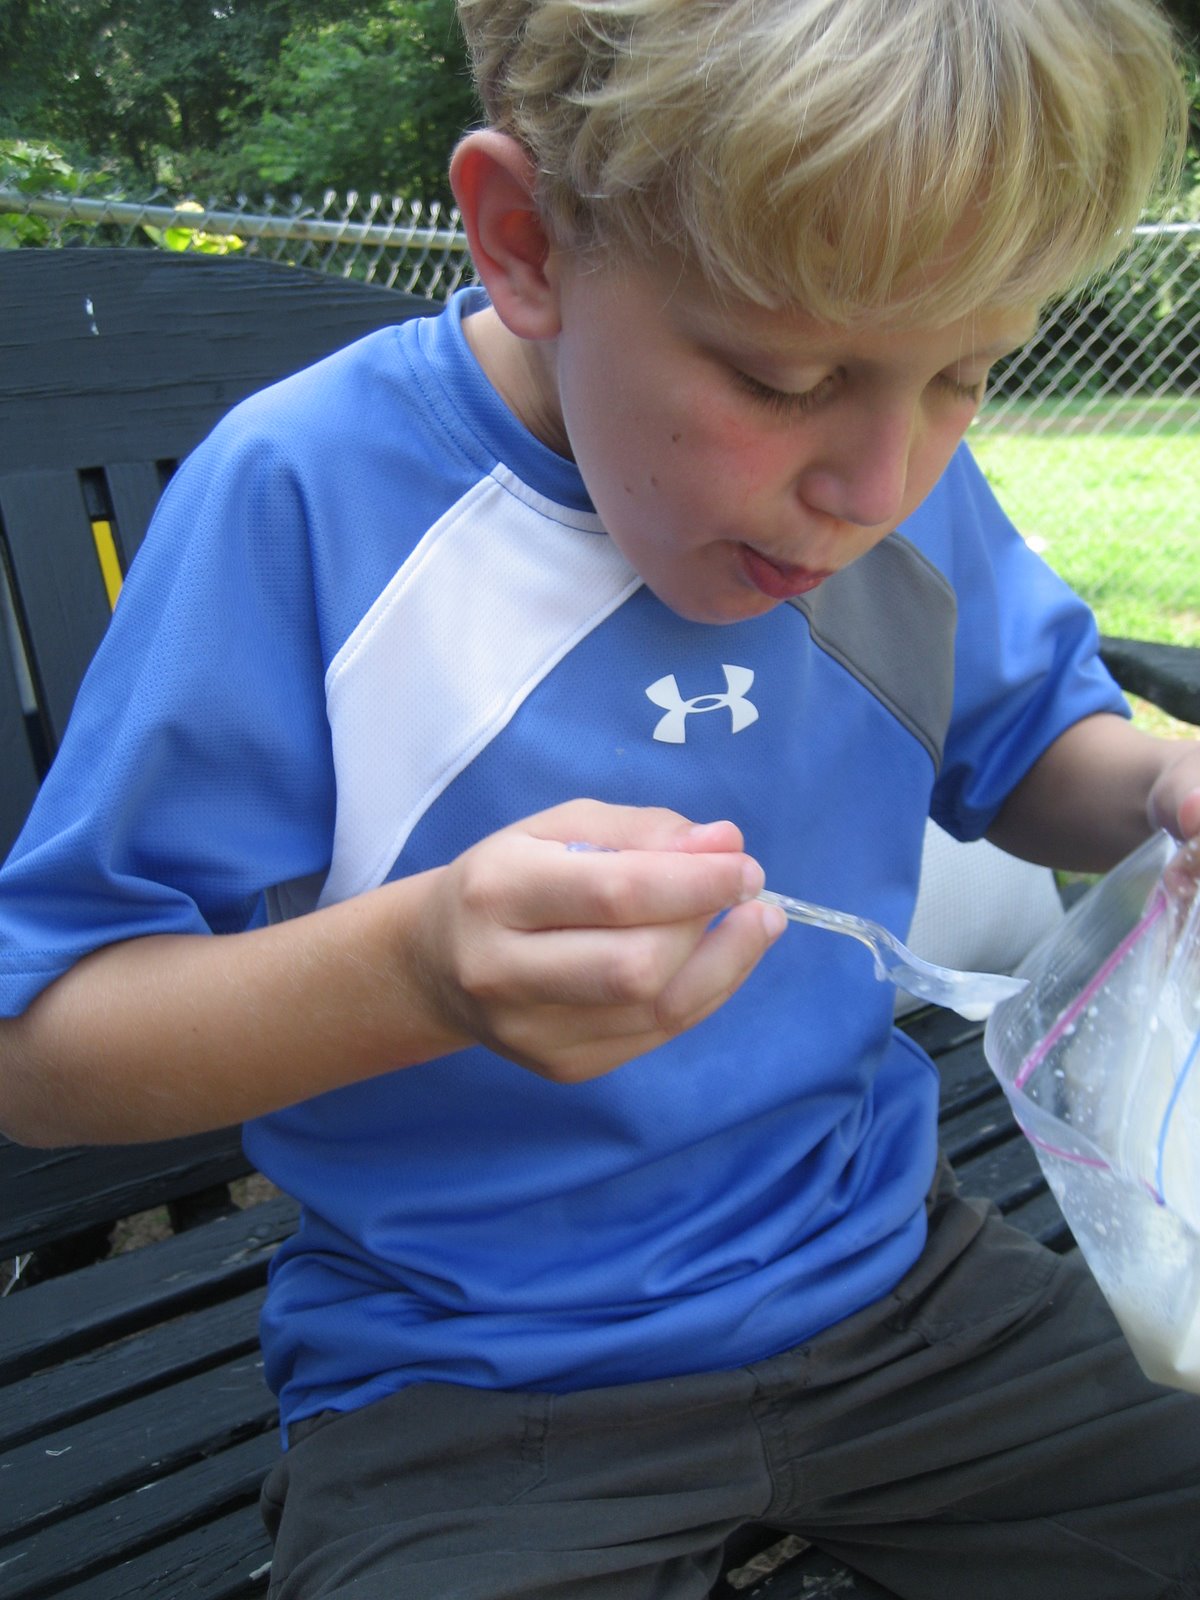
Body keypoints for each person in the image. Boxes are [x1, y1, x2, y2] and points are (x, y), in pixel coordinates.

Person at [1, 0, 1199, 1595]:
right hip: (471, 1375)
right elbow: (45, 1052)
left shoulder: (888, 492)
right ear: (526, 242)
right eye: (784, 375)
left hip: (900, 1289)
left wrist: (1163, 785)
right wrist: (418, 975)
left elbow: (1037, 747)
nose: (878, 485)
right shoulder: (305, 504)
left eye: (967, 373)